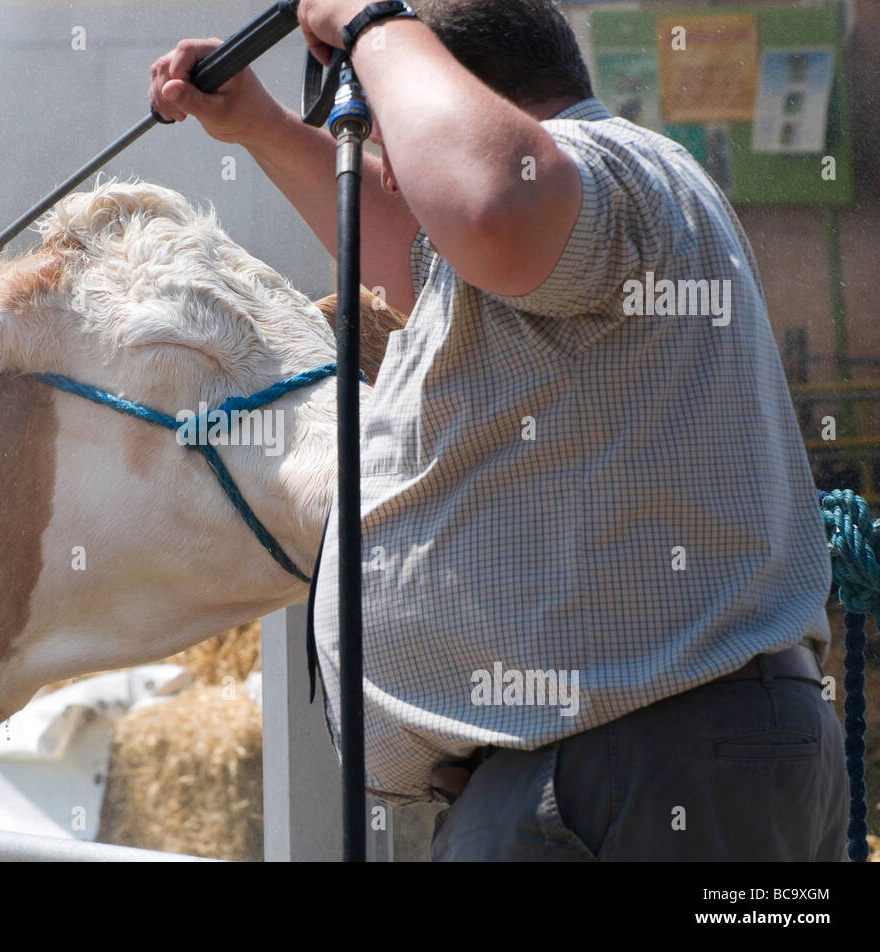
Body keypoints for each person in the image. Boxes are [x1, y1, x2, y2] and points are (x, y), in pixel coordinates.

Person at [150, 0, 847, 861]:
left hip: (628, 769)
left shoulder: (598, 166)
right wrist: (258, 125)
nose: (389, 165)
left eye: (386, 124)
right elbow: (434, 240)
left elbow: (486, 205)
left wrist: (369, 22)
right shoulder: (580, 206)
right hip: (629, 767)